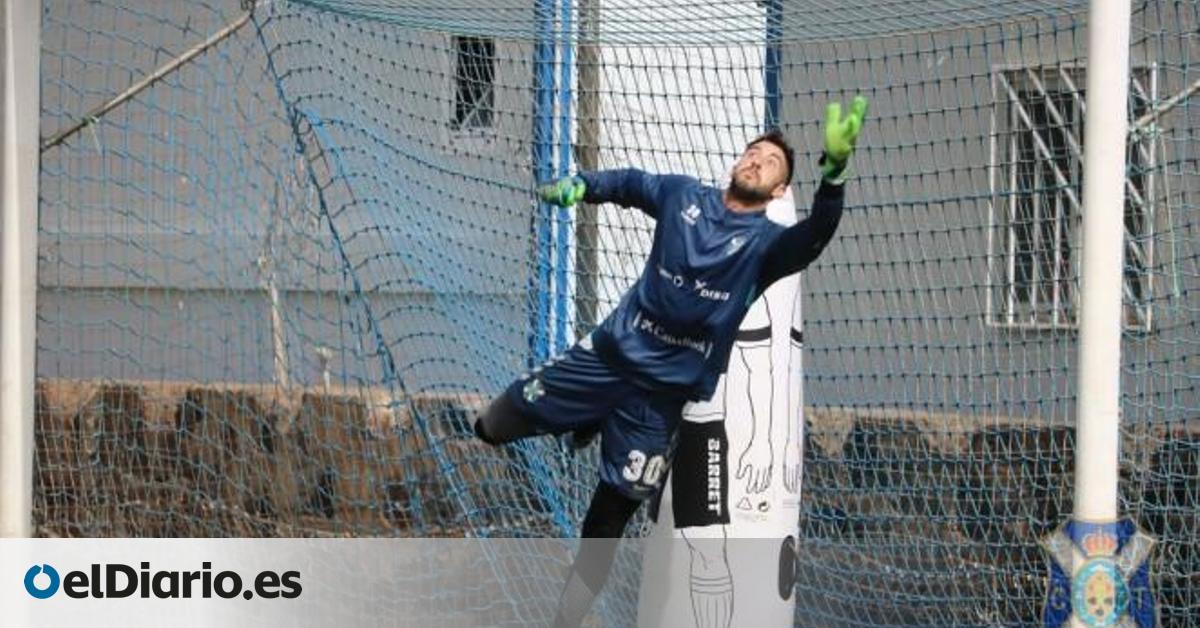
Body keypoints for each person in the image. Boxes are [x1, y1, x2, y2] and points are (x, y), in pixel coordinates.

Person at [473, 96, 868, 627]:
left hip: (656, 406)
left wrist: (835, 175)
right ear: (736, 163)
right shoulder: (686, 196)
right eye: (752, 152)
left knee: (606, 525)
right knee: (490, 426)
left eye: (770, 162)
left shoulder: (766, 250)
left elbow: (815, 235)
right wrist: (583, 186)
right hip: (604, 362)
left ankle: (564, 620)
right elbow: (633, 184)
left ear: (778, 191)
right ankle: (586, 415)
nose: (756, 160)